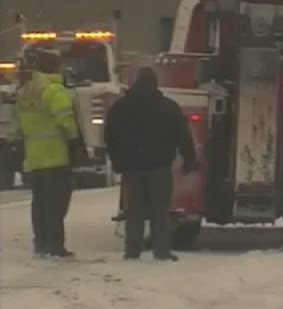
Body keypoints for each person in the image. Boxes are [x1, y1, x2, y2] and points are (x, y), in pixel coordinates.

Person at [104, 66, 197, 261]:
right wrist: (189, 160)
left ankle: (132, 251)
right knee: (160, 211)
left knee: (134, 211)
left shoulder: (121, 107)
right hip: (159, 167)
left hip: (132, 168)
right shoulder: (168, 106)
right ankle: (161, 251)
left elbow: (110, 136)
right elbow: (183, 135)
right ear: (155, 84)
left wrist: (117, 161)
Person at [17, 49, 88, 260]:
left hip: (35, 158)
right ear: (53, 67)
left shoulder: (27, 90)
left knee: (39, 204)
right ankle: (55, 246)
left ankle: (41, 244)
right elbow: (65, 119)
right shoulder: (54, 91)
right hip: (56, 156)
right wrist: (75, 141)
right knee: (57, 205)